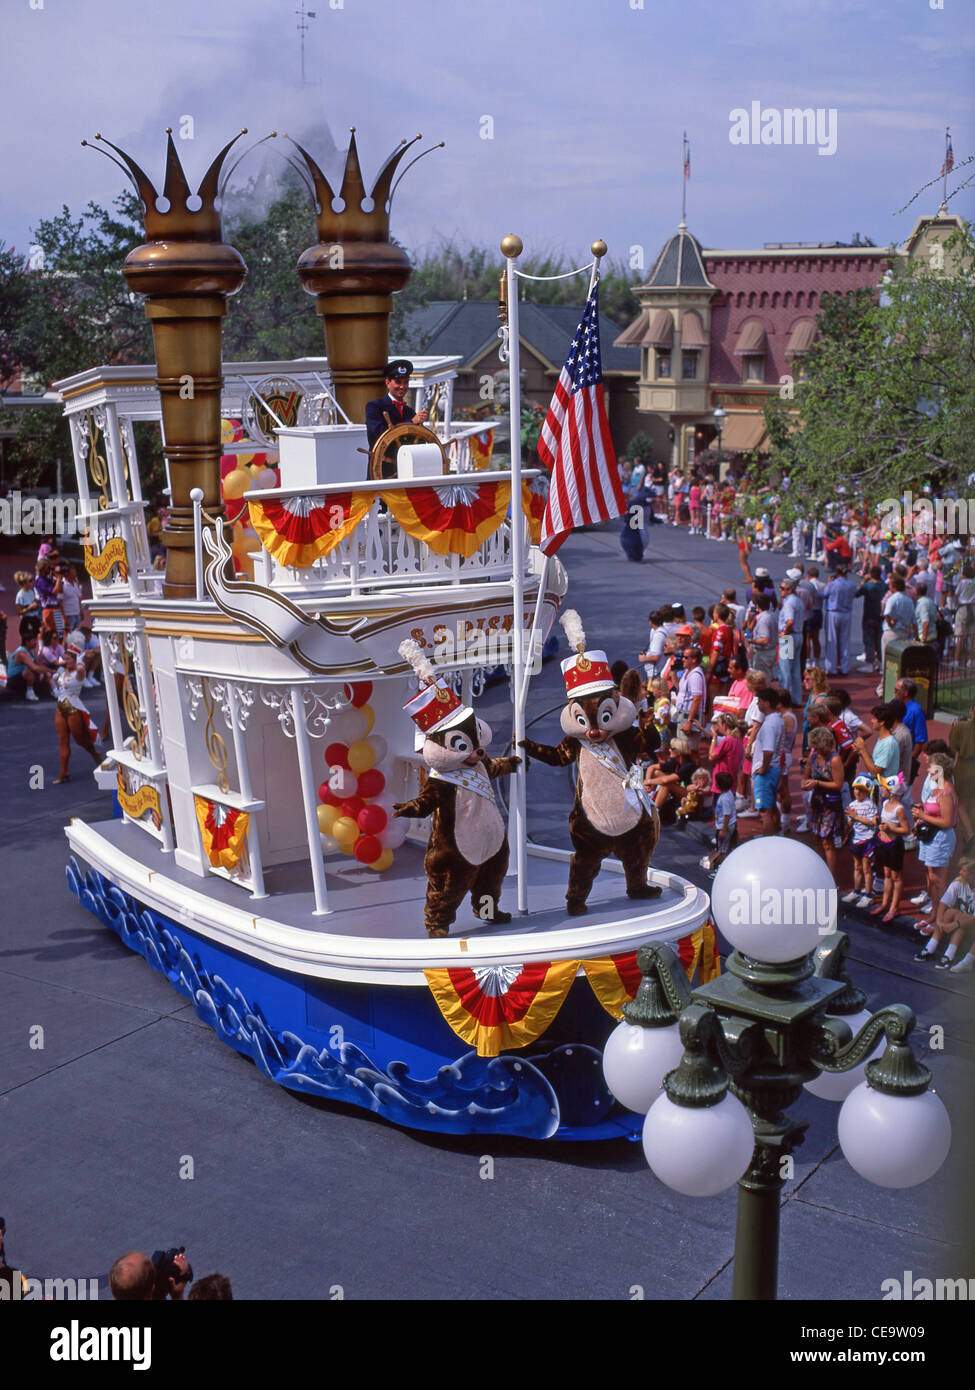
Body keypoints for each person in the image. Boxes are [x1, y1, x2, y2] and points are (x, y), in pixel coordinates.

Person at [912, 753, 958, 925]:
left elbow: (948, 822)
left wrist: (923, 815)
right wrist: (922, 812)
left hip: (940, 839)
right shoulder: (937, 788)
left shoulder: (946, 792)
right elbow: (934, 812)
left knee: (939, 881)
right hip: (931, 838)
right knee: (932, 878)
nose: (927, 770)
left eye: (930, 767)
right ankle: (934, 914)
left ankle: (942, 919)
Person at [364, 360, 430, 474]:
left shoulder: (409, 412)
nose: (402, 386)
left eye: (405, 382)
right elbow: (379, 433)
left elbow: (418, 442)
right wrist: (411, 423)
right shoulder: (374, 407)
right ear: (387, 382)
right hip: (381, 472)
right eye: (398, 382)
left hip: (408, 472)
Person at [914, 858, 975, 971]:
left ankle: (956, 958)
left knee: (962, 921)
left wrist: (954, 924)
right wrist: (939, 922)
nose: (960, 872)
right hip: (962, 921)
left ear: (972, 874)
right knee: (950, 913)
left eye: (964, 870)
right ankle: (932, 949)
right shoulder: (958, 883)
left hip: (971, 924)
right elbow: (943, 904)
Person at [52, 647, 102, 783]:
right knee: (63, 741)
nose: (66, 661)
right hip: (60, 708)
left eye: (69, 659)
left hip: (73, 709)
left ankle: (94, 753)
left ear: (75, 659)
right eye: (65, 659)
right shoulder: (63, 672)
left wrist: (80, 659)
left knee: (80, 740)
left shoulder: (79, 673)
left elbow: (80, 668)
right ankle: (63, 773)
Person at [802, 726, 845, 876]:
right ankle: (820, 871)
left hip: (830, 804)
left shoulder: (835, 760)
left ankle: (831, 878)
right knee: (815, 838)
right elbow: (805, 776)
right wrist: (804, 784)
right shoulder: (813, 757)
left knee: (827, 841)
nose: (818, 751)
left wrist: (817, 783)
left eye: (820, 748)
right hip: (816, 802)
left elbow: (838, 784)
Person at [871, 772, 911, 921]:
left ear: (892, 791)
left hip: (894, 845)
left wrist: (891, 828)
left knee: (896, 876)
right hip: (883, 843)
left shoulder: (899, 809)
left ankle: (894, 907)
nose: (881, 788)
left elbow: (906, 829)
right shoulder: (885, 804)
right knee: (887, 874)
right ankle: (884, 903)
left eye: (884, 787)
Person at [842, 774, 879, 908]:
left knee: (866, 868)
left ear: (867, 791)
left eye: (861, 790)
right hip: (856, 840)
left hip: (867, 840)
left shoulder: (870, 805)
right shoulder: (852, 805)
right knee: (857, 866)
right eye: (856, 789)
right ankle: (856, 891)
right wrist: (851, 820)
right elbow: (849, 824)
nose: (857, 792)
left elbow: (872, 823)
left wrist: (855, 817)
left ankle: (868, 895)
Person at [751, 686, 784, 837]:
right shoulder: (776, 720)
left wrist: (763, 768)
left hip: (766, 772)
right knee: (771, 805)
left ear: (767, 703)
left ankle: (767, 840)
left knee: (764, 811)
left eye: (759, 701)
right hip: (774, 769)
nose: (757, 704)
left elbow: (768, 750)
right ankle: (777, 833)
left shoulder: (770, 724)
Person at [701, 770, 738, 873]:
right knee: (726, 847)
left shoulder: (724, 798)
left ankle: (719, 869)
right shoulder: (729, 794)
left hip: (725, 827)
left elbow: (727, 814)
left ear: (719, 785)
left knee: (722, 849)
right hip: (729, 826)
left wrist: (723, 830)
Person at [948, 700, 975, 844]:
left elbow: (952, 751)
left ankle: (970, 835)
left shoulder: (961, 727)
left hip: (964, 769)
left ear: (971, 710)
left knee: (961, 803)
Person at [822, 564, 856, 675]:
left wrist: (828, 584)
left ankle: (831, 668)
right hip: (846, 613)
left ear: (836, 573)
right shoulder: (851, 585)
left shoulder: (832, 584)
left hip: (833, 612)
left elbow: (823, 594)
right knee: (845, 641)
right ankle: (845, 667)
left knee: (832, 641)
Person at [776, 574, 804, 703]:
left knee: (785, 670)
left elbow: (790, 621)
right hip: (798, 635)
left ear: (789, 590)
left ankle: (783, 699)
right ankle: (797, 699)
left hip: (789, 637)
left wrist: (785, 632)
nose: (780, 590)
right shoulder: (798, 600)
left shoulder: (788, 603)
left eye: (782, 588)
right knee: (795, 670)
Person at [894, 677, 928, 783]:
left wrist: (909, 762)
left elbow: (920, 741)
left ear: (905, 693)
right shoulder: (898, 706)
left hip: (904, 761)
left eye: (896, 690)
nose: (894, 692)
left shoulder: (916, 711)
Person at [855, 564, 886, 672]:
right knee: (879, 639)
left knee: (869, 639)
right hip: (880, 616)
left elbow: (856, 593)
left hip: (869, 615)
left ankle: (869, 663)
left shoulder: (867, 586)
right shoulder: (884, 586)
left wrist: (863, 581)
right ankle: (880, 662)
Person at [4, 635, 52, 701]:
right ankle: (29, 693)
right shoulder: (21, 653)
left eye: (36, 640)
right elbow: (34, 668)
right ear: (27, 642)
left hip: (22, 677)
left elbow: (37, 664)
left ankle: (54, 690)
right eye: (34, 640)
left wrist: (46, 672)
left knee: (45, 672)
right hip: (13, 679)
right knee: (28, 671)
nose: (36, 642)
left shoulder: (31, 651)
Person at [913, 581, 938, 648]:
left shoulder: (922, 604)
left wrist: (924, 638)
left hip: (924, 636)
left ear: (916, 592)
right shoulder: (930, 601)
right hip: (932, 633)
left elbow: (926, 622)